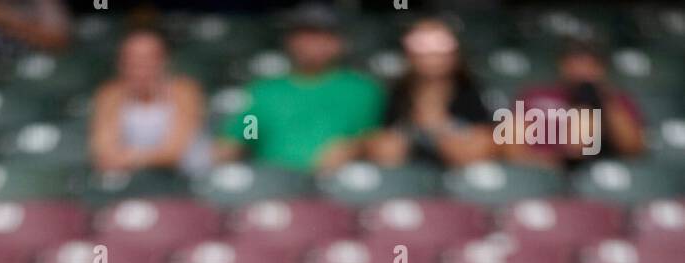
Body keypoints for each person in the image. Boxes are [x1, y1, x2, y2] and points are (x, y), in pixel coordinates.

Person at [215, 4, 385, 173]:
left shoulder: (363, 91)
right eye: (303, 35)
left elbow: (375, 139)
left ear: (339, 42)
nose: (311, 44)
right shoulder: (262, 92)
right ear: (289, 41)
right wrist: (229, 151)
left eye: (322, 35)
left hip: (339, 182)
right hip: (273, 181)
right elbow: (243, 136)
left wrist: (353, 148)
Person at [365, 17, 494, 169]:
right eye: (421, 47)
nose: (432, 58)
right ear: (409, 55)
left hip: (463, 176)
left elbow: (476, 154)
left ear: (455, 54)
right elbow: (384, 154)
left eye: (441, 47)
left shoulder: (472, 92)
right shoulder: (396, 93)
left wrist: (439, 126)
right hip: (408, 177)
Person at [89, 26, 208, 177]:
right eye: (132, 59)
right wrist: (144, 158)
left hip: (188, 177)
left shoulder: (185, 91)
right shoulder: (109, 95)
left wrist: (129, 157)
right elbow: (104, 152)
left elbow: (174, 153)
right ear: (121, 63)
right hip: (137, 179)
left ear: (164, 61)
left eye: (149, 58)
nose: (141, 66)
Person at [507, 39, 645, 165]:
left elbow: (633, 147)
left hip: (591, 168)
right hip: (539, 168)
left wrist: (603, 98)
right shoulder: (535, 95)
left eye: (590, 65)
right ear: (562, 65)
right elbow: (513, 142)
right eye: (575, 62)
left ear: (601, 69)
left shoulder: (615, 100)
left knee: (583, 117)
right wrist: (544, 163)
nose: (581, 70)